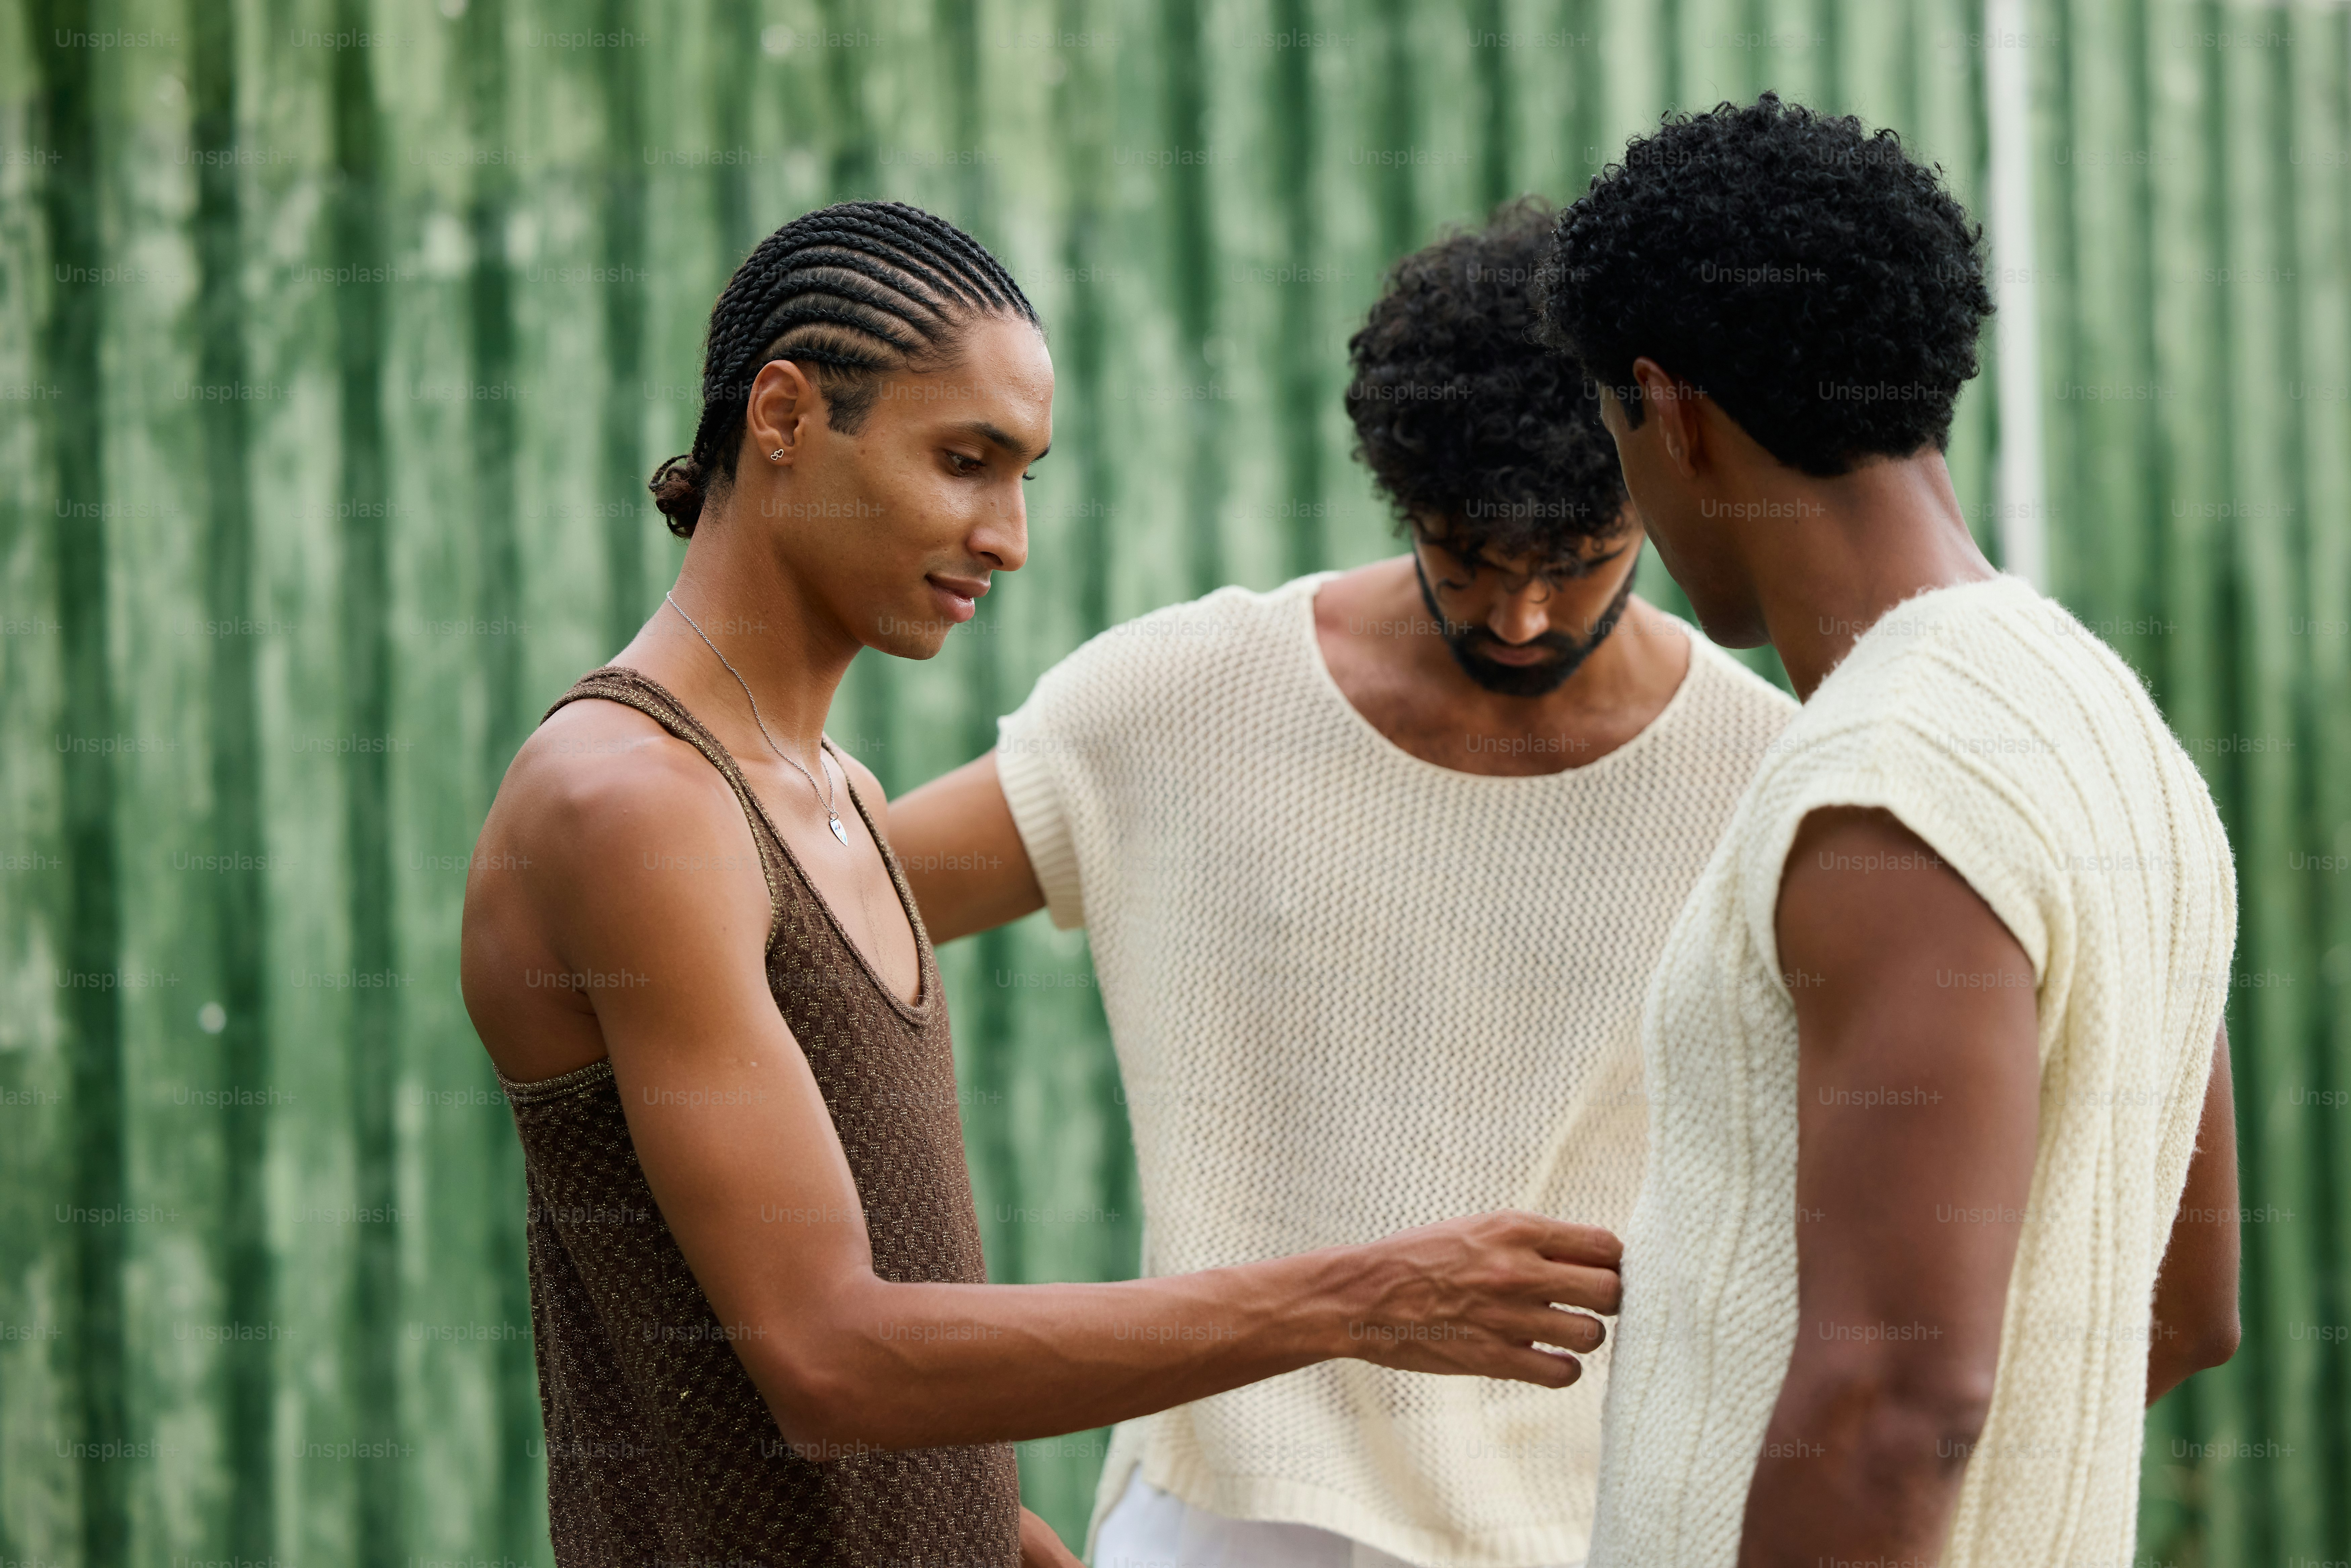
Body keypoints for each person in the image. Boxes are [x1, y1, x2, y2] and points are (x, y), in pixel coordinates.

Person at [459, 201, 1623, 1568]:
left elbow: (842, 1323)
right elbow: (831, 1356)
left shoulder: (839, 797)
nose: (1006, 536)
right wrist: (1360, 1297)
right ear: (781, 415)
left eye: (1025, 477)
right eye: (963, 461)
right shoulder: (633, 804)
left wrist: (986, 1528)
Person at [888, 199, 1798, 1567]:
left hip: (1600, 1525)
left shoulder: (1768, 778)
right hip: (1225, 1510)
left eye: (1577, 562)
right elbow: (802, 939)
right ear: (1399, 496)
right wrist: (921, 1449)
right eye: (1467, 559)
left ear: (1656, 490)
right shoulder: (1183, 699)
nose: (1521, 616)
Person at [1538, 95, 2242, 1568]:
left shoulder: (1894, 778)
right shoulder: (2111, 733)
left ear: (1670, 412)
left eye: (1616, 434)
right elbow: (2187, 1307)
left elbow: (1893, 1399)